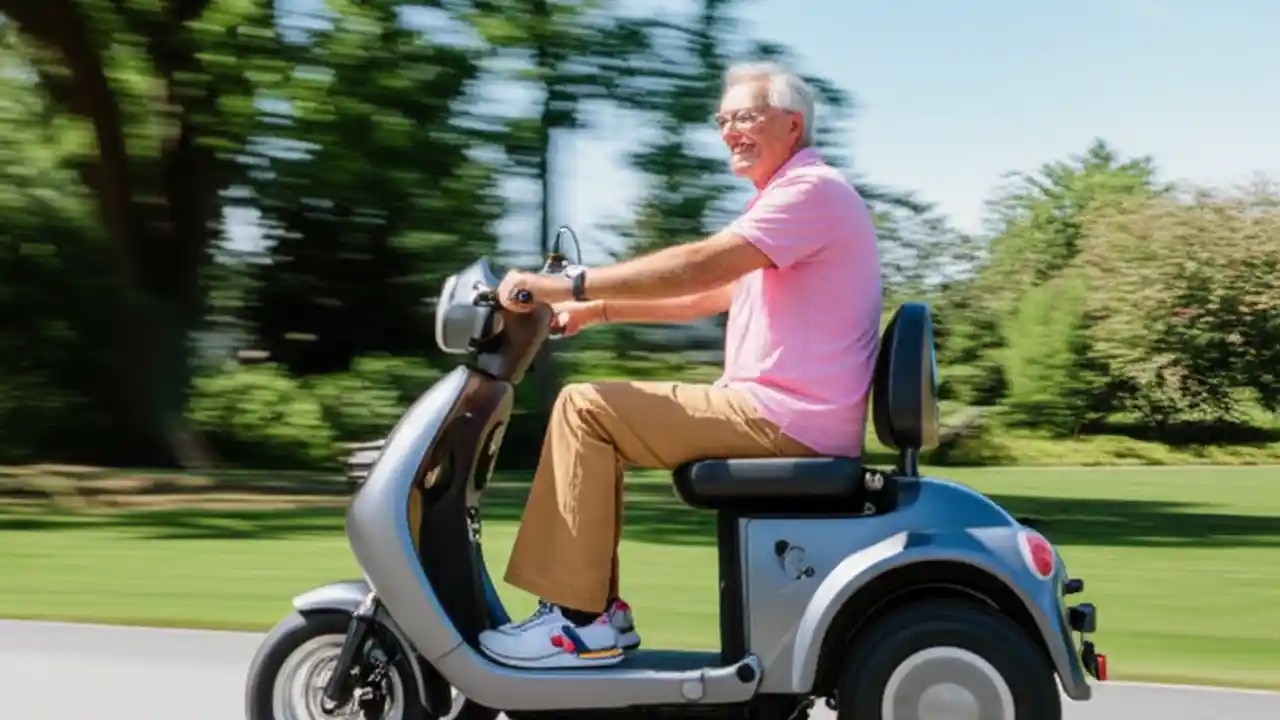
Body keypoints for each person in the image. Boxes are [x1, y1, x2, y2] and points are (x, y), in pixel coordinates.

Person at [479, 61, 883, 669]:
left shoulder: (811, 192)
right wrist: (598, 310)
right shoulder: (794, 200)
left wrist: (567, 284)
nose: (729, 132)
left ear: (792, 125)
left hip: (785, 419)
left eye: (745, 117)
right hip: (787, 413)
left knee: (586, 408)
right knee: (594, 411)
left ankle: (577, 624)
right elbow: (709, 295)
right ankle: (599, 613)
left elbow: (700, 265)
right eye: (722, 120)